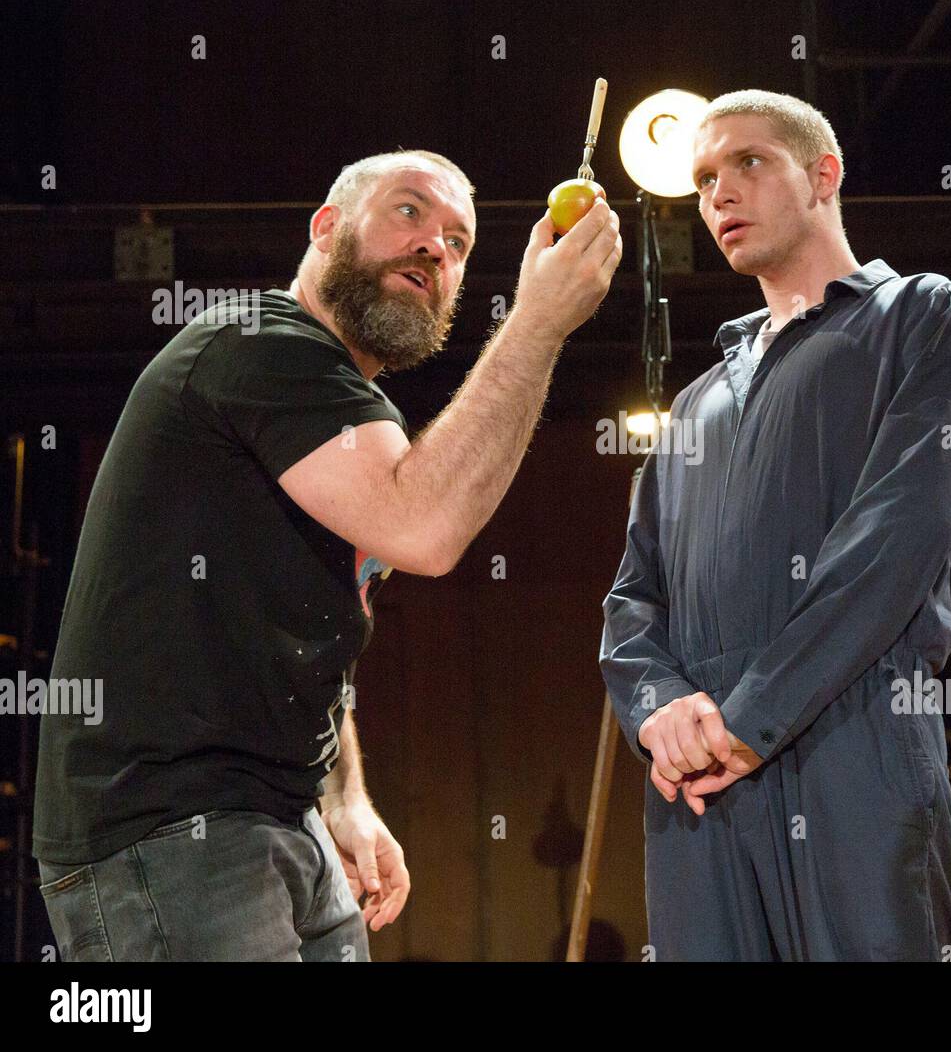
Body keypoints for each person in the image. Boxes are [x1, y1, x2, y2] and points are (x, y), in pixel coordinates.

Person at [33, 149, 622, 960]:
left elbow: (318, 631)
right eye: (410, 212)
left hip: (279, 819)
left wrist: (346, 799)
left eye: (458, 242)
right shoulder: (261, 343)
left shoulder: (337, 403)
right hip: (168, 827)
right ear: (327, 227)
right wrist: (538, 322)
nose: (435, 248)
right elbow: (425, 528)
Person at [599, 91, 951, 960]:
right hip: (697, 782)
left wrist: (752, 717)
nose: (718, 195)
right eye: (704, 180)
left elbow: (897, 537)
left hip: (852, 742)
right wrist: (658, 709)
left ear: (823, 174)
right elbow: (633, 595)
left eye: (748, 163)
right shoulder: (697, 399)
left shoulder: (920, 315)